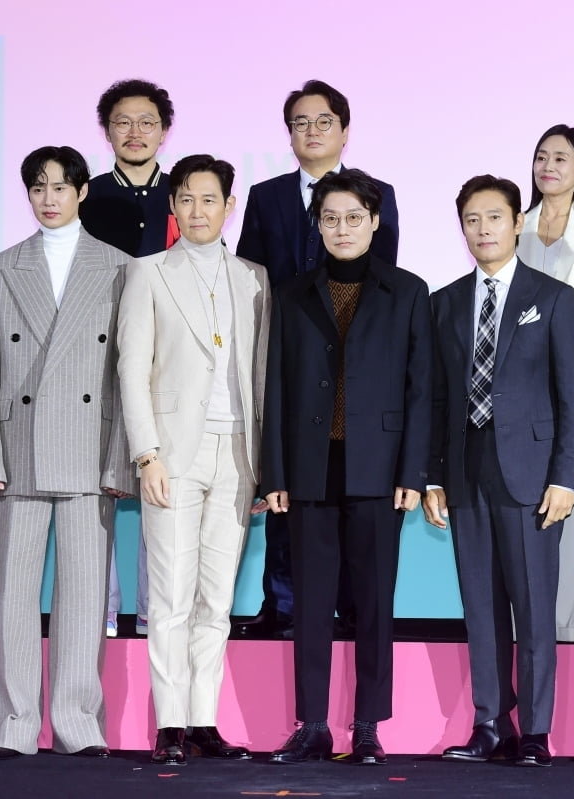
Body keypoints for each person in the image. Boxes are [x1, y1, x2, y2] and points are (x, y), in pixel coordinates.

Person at [0, 145, 134, 759]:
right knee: (13, 595)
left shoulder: (120, 268)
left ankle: (77, 725)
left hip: (90, 449)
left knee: (86, 596)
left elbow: (127, 373)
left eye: (60, 187)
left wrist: (120, 459)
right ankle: (14, 726)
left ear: (82, 192)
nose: (48, 198)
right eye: (38, 187)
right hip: (19, 450)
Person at [262, 169, 431, 765]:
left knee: (374, 603)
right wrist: (275, 474)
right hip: (310, 469)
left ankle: (366, 726)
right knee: (310, 602)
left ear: (375, 222)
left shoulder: (407, 291)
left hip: (379, 471)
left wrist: (413, 473)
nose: (342, 229)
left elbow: (421, 390)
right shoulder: (290, 294)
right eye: (330, 218)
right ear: (318, 225)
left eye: (354, 218)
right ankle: (312, 725)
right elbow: (274, 389)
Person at [426, 175, 574, 769]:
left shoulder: (554, 298)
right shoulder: (444, 302)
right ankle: (490, 723)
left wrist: (566, 477)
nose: (483, 229)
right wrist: (433, 476)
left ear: (517, 222)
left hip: (532, 477)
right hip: (465, 472)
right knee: (481, 606)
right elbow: (436, 398)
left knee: (534, 608)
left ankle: (536, 731)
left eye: (494, 217)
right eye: (472, 220)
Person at [117, 154, 269, 766]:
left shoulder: (254, 278)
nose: (197, 210)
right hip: (172, 454)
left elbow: (261, 374)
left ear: (229, 206)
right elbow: (131, 368)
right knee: (171, 596)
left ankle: (203, 721)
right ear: (173, 206)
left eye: (209, 199)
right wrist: (145, 453)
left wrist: (264, 466)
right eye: (186, 199)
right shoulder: (147, 272)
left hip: (238, 454)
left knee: (216, 599)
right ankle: (170, 725)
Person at [235, 79, 400, 641]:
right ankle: (282, 606)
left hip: (355, 370)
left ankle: (352, 610)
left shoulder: (378, 194)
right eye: (300, 122)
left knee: (355, 498)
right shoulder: (266, 196)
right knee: (289, 490)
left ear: (344, 131)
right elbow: (252, 277)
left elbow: (384, 283)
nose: (312, 131)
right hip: (293, 361)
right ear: (288, 134)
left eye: (323, 121)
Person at [82, 78, 179, 638]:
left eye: (147, 122)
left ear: (164, 131)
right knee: (98, 491)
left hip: (167, 364)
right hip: (97, 362)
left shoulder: (184, 196)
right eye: (123, 122)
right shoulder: (86, 197)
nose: (135, 132)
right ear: (107, 131)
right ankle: (101, 614)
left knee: (159, 491)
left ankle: (150, 615)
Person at [518, 123, 574, 644]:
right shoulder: (515, 224)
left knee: (566, 501)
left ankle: (571, 626)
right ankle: (524, 625)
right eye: (541, 156)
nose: (548, 167)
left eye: (561, 158)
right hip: (516, 394)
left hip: (572, 387)